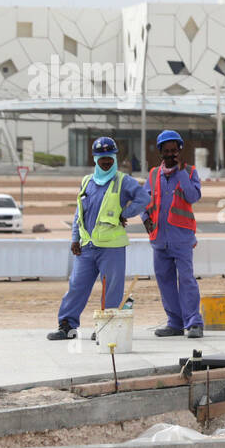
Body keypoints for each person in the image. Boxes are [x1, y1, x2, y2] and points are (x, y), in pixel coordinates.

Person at [47, 136, 150, 339]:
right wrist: (75, 239)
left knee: (111, 289)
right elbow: (79, 213)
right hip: (87, 246)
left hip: (111, 247)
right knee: (77, 285)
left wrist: (126, 213)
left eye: (109, 157)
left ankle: (105, 328)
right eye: (102, 158)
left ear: (114, 158)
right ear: (95, 159)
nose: (106, 162)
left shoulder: (123, 181)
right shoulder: (87, 182)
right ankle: (67, 325)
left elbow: (144, 198)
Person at [143, 130, 203, 338]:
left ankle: (194, 322)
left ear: (179, 150)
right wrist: (145, 219)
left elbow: (193, 196)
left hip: (182, 239)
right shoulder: (152, 175)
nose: (170, 154)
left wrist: (180, 174)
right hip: (159, 240)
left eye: (174, 150)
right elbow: (144, 201)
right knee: (165, 281)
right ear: (160, 152)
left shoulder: (189, 171)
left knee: (186, 279)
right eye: (166, 150)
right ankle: (175, 323)